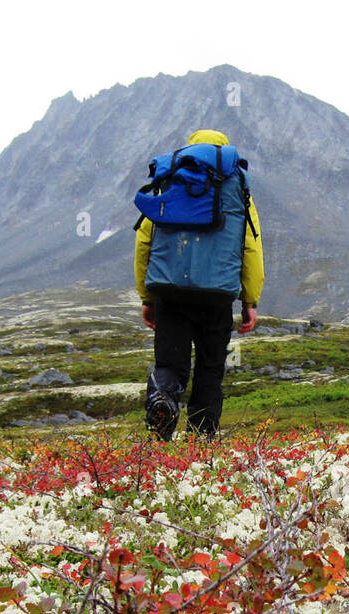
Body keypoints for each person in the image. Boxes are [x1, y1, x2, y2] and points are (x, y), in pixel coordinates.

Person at [134, 129, 264, 440]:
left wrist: (147, 297)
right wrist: (250, 301)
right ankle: (201, 439)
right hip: (217, 296)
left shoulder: (171, 179)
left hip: (170, 291)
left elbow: (144, 240)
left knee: (170, 362)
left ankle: (163, 400)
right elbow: (251, 246)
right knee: (210, 368)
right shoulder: (237, 185)